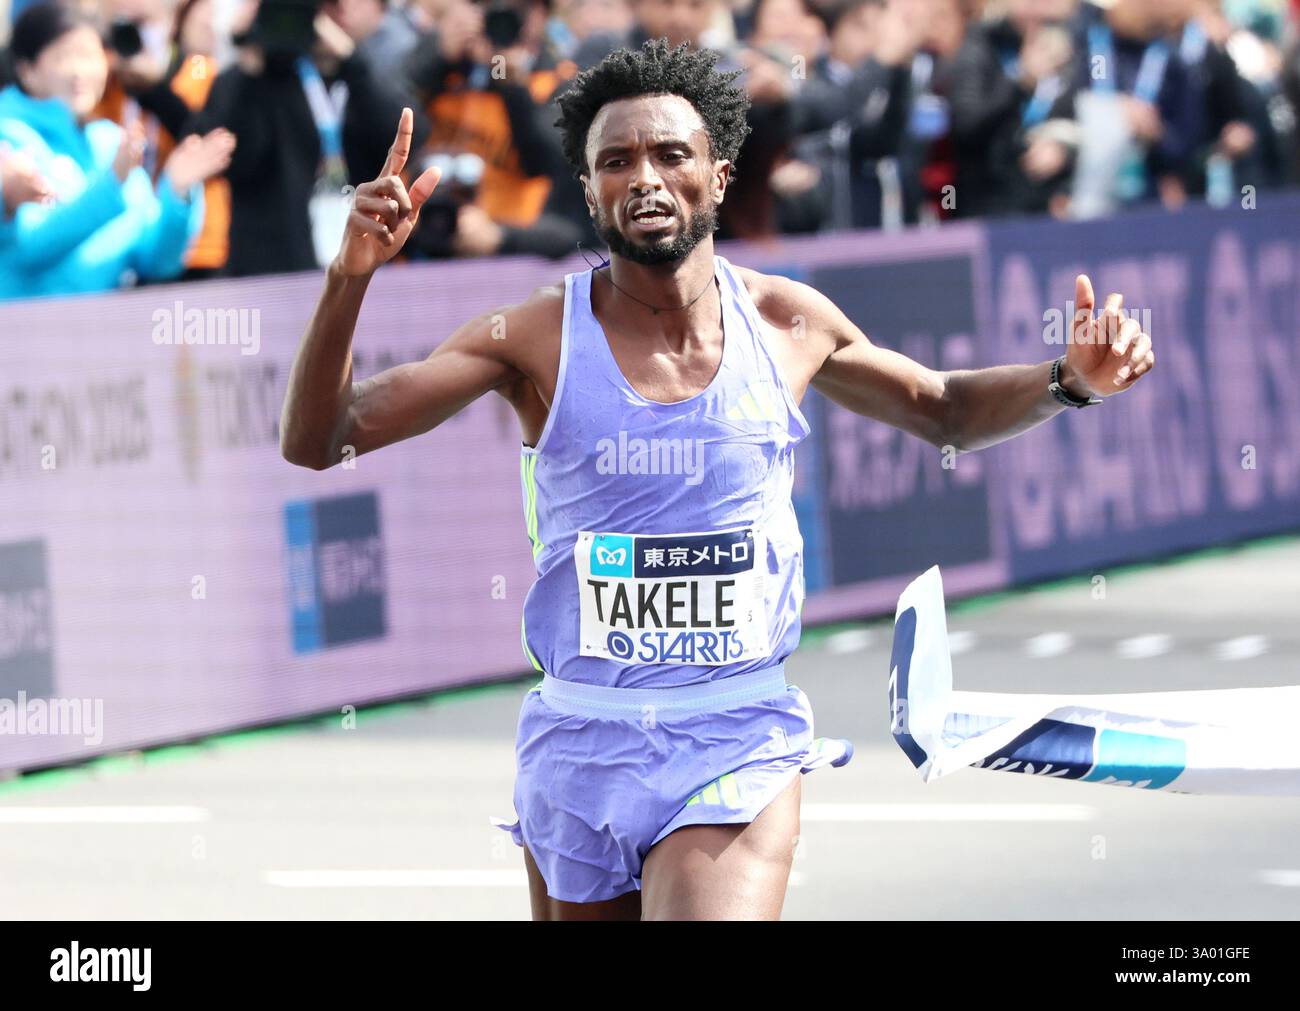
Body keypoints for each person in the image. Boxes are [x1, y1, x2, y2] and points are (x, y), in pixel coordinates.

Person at [279, 39, 1156, 920]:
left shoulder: (786, 320)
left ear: (720, 176)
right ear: (589, 193)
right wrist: (348, 280)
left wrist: (1067, 380)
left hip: (735, 732)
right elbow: (324, 436)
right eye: (615, 162)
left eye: (671, 154)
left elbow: (944, 408)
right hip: (579, 739)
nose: (645, 178)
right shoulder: (532, 337)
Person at [0, 1, 232, 300]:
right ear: (27, 69)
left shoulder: (110, 140)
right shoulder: (9, 138)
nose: (79, 71)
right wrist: (111, 184)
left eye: (89, 56)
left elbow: (156, 261)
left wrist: (177, 192)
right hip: (30, 336)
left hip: (110, 335)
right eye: (63, 57)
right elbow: (28, 249)